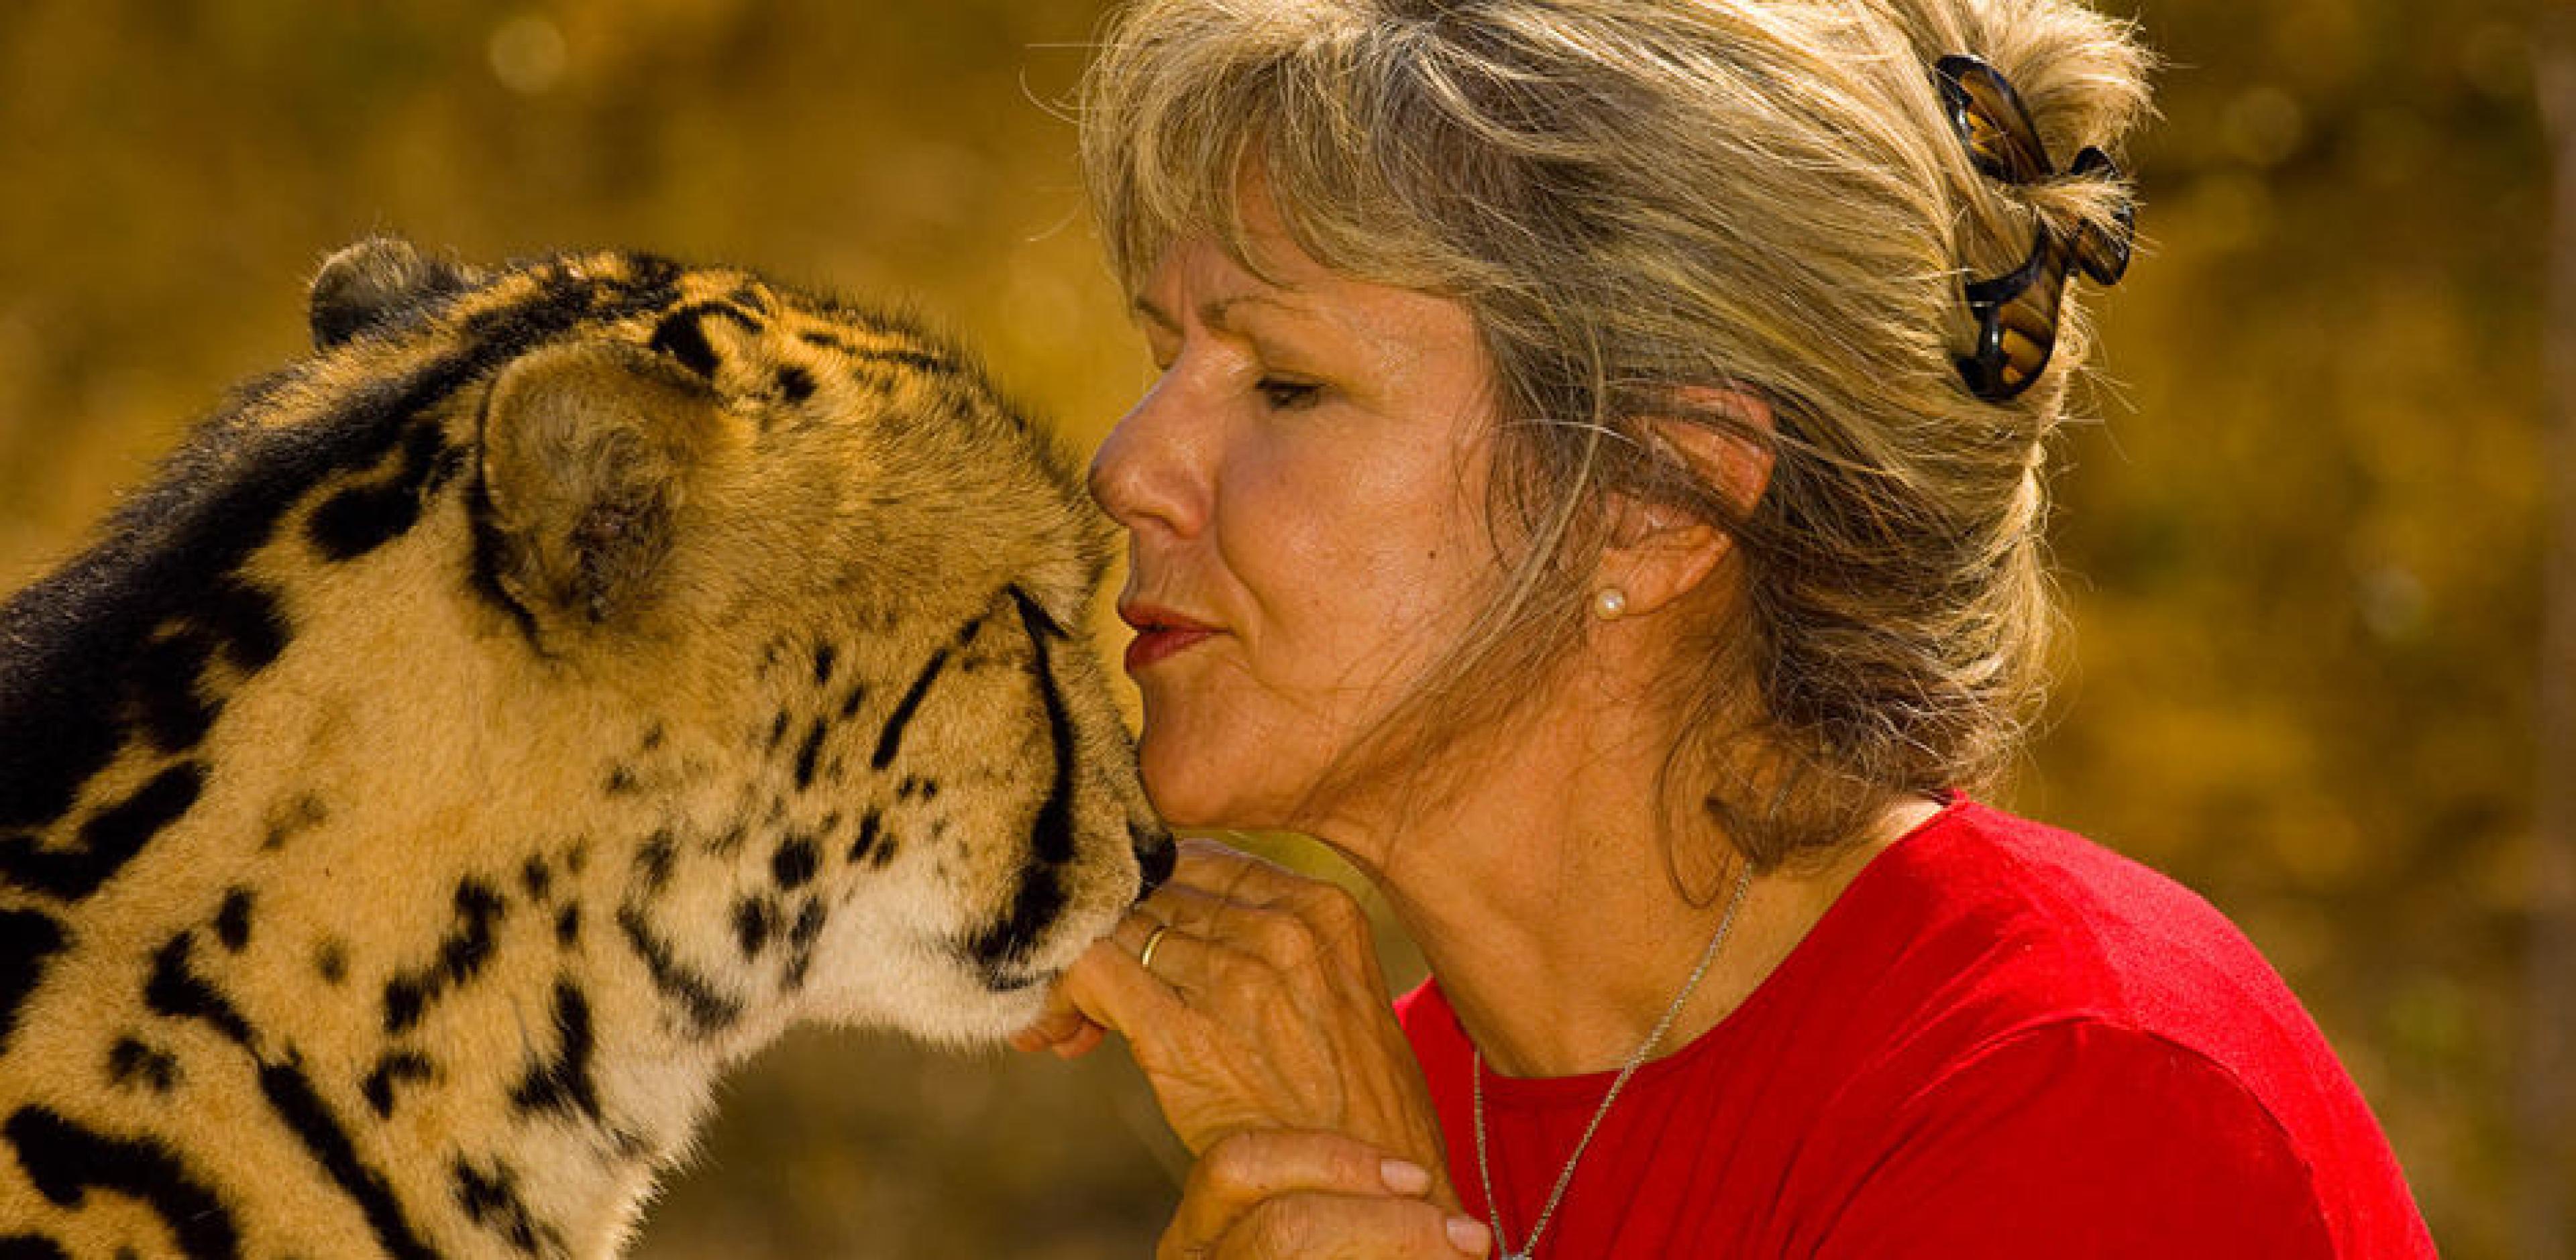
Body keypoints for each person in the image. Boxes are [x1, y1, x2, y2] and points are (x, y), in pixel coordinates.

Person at [1010, 0, 2440, 1255]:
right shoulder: (1381, 1104)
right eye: (1163, 359)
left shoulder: (2082, 1101)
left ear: (1656, 495)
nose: (1129, 466)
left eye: (1286, 383)